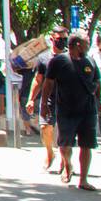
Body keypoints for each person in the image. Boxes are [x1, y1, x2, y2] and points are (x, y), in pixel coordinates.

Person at [41, 30, 101, 190]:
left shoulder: (90, 61)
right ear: (78, 44)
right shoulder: (58, 61)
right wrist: (43, 104)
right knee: (64, 145)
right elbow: (48, 84)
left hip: (87, 110)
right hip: (66, 110)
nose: (89, 45)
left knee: (87, 145)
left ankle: (83, 180)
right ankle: (68, 164)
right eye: (86, 42)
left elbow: (97, 82)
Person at [28, 28, 68, 172]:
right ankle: (50, 153)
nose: (63, 41)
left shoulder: (70, 57)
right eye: (60, 38)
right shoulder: (44, 58)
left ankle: (66, 161)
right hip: (48, 99)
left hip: (66, 100)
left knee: (65, 132)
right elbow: (38, 80)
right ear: (52, 39)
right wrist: (31, 99)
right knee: (45, 128)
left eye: (65, 38)